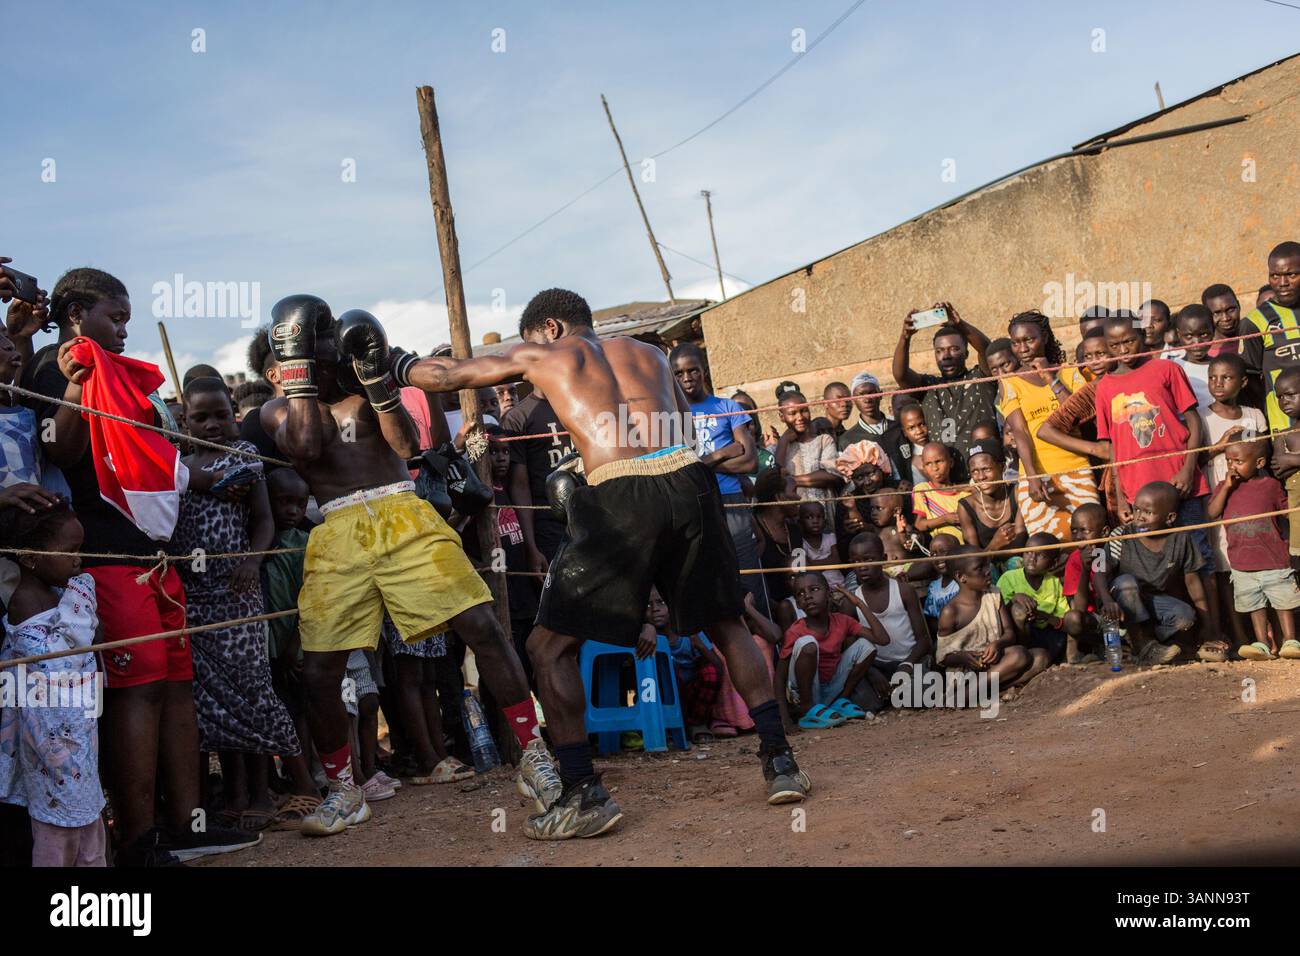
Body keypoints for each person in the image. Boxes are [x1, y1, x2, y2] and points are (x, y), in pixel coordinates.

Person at [403, 287, 812, 836]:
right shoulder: (651, 353)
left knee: (547, 648)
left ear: (550, 328)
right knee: (727, 625)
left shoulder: (545, 354)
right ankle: (780, 763)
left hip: (619, 491)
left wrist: (396, 364)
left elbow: (448, 377)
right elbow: (681, 428)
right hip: (689, 479)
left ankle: (582, 792)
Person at [258, 296, 555, 837]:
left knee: (482, 625)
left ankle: (535, 757)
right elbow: (305, 446)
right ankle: (345, 790)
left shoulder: (359, 388)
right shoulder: (278, 408)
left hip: (401, 510)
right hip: (338, 530)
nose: (323, 366)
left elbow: (408, 444)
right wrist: (299, 378)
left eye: (324, 357)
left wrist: (376, 381)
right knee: (322, 669)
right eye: (311, 357)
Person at [23, 267, 254, 865]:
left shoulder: (124, 377)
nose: (123, 331)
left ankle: (185, 824)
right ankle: (137, 838)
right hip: (106, 556)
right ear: (77, 314)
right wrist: (74, 389)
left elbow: (156, 459)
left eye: (127, 319)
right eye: (114, 318)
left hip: (156, 555)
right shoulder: (58, 363)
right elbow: (58, 447)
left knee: (177, 685)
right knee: (140, 689)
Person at [172, 376, 303, 831]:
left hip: (238, 594)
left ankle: (282, 789)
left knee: (252, 690)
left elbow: (264, 522)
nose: (211, 425)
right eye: (200, 417)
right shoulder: (178, 466)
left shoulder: (243, 458)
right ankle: (236, 796)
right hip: (194, 599)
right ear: (183, 418)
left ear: (235, 416)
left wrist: (251, 561)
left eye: (220, 415)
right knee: (213, 701)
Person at [0, 503, 106, 866]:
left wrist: (79, 604)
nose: (79, 561)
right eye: (70, 552)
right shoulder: (26, 601)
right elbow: (57, 662)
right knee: (55, 829)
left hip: (78, 731)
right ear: (30, 558)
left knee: (88, 815)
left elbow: (91, 642)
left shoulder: (61, 594)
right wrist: (79, 608)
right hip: (50, 740)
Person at [669, 342, 767, 614]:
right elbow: (677, 468)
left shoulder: (728, 406)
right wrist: (721, 453)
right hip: (694, 504)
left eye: (693, 370)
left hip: (730, 500)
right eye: (679, 373)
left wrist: (698, 463)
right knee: (706, 576)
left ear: (704, 371)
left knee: (746, 575)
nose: (687, 378)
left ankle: (763, 645)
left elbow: (749, 461)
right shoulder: (670, 415)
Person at [259, 467, 330, 827]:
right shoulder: (265, 544)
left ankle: (310, 777)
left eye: (299, 503)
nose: (292, 510)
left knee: (297, 710)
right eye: (283, 502)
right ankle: (292, 776)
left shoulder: (306, 543)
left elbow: (312, 599)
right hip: (268, 648)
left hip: (295, 646)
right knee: (284, 709)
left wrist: (293, 645)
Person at [999, 311, 1098, 540]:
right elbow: (1021, 432)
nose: (1022, 348)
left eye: (1028, 340)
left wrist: (1050, 379)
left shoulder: (1069, 372)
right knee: (1048, 548)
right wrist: (1032, 476)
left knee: (1090, 542)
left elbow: (1081, 415)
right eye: (1015, 343)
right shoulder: (1009, 381)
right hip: (1037, 475)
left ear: (1044, 337)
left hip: (1076, 469)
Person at [1093, 481, 1208, 665]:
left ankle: (1146, 643)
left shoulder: (1181, 539)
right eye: (1136, 510)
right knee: (1127, 583)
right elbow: (1098, 570)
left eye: (1148, 512)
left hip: (1154, 601)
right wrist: (1106, 599)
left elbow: (1193, 583)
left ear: (1170, 517)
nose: (1139, 517)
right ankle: (1142, 645)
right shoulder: (1120, 534)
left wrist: (1208, 625)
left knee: (1185, 617)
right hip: (1121, 602)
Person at [1206, 439, 1300, 660]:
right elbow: (1212, 512)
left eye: (1238, 461)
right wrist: (1227, 487)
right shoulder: (1224, 487)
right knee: (1254, 605)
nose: (1232, 466)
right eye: (1229, 460)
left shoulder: (1271, 485)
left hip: (1274, 559)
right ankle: (1262, 644)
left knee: (1283, 602)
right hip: (1241, 563)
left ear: (1259, 462)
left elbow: (1287, 511)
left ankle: (1290, 641)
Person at [1199, 352, 1267, 646]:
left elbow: (1263, 453)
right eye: (1213, 377)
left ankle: (1263, 634)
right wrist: (1219, 446)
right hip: (1218, 493)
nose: (1218, 383)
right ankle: (1238, 634)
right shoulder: (1202, 417)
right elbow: (1194, 459)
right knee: (1224, 562)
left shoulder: (1255, 415)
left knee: (1253, 557)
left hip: (1250, 498)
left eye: (1226, 378)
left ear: (1242, 382)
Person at [776, 571, 887, 723]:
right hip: (803, 694)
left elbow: (882, 639)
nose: (807, 596)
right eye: (801, 593)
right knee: (807, 643)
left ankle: (841, 701)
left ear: (829, 594)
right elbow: (779, 677)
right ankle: (807, 710)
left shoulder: (842, 621)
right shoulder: (796, 631)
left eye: (814, 589)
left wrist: (858, 603)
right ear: (798, 603)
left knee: (866, 646)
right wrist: (784, 718)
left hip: (829, 689)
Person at [892, 302, 996, 461]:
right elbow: (900, 375)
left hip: (982, 474)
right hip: (945, 479)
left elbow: (988, 350)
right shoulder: (929, 387)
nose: (946, 356)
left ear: (967, 353)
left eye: (954, 349)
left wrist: (960, 325)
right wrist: (905, 338)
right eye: (939, 351)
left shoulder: (980, 378)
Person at [936, 549, 1047, 687]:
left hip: (996, 663)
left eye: (987, 566)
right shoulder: (951, 611)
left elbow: (1009, 633)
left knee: (1041, 657)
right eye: (979, 568)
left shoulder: (994, 594)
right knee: (1019, 655)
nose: (987, 571)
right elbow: (942, 656)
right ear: (961, 576)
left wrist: (998, 644)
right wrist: (963, 658)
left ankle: (983, 691)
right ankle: (967, 694)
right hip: (966, 672)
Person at [500, 379, 577, 577]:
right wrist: (531, 546)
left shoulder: (580, 402)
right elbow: (520, 486)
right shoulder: (518, 418)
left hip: (591, 512)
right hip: (549, 522)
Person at [840, 532, 930, 697]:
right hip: (876, 666)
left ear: (883, 558)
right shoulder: (850, 604)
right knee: (862, 699)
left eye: (868, 559)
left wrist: (907, 664)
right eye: (856, 561)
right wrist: (871, 672)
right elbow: (851, 650)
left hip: (908, 660)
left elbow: (924, 640)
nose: (862, 567)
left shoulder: (904, 591)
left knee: (921, 694)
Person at [643, 588, 725, 743]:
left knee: (710, 672)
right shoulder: (646, 636)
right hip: (662, 697)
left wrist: (699, 645)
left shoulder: (689, 631)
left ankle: (697, 725)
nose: (655, 609)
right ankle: (664, 726)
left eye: (661, 602)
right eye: (648, 605)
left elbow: (719, 668)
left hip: (692, 697)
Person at [1241, 240, 1300, 433]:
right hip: (1285, 430)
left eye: (1291, 274)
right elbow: (1251, 379)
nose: (1282, 283)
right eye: (1275, 276)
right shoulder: (1256, 322)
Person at [997, 532, 1069, 664]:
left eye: (1040, 555)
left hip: (1046, 635)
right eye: (1028, 552)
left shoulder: (1054, 582)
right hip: (1018, 637)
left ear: (1053, 563)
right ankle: (1023, 656)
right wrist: (1015, 599)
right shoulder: (1009, 578)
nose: (1032, 558)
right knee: (1019, 611)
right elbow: (998, 615)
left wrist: (1040, 614)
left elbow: (1061, 620)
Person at [957, 444, 1027, 578]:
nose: (981, 476)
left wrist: (991, 553)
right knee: (986, 569)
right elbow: (975, 559)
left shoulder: (1017, 493)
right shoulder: (966, 506)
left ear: (1002, 467)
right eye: (975, 471)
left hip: (1016, 561)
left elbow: (1021, 539)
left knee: (1016, 563)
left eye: (986, 469)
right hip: (986, 567)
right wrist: (995, 544)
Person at [774, 390, 841, 514]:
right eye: (792, 413)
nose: (799, 417)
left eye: (804, 410)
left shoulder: (823, 441)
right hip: (795, 515)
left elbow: (832, 475)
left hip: (824, 513)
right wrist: (783, 441)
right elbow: (776, 476)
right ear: (782, 417)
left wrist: (793, 480)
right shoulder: (777, 448)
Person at [1061, 502, 1108, 663]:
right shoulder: (1074, 559)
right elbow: (1079, 608)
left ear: (1104, 532)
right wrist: (1085, 569)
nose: (1078, 537)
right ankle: (1074, 654)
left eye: (1085, 531)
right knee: (1072, 618)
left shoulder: (1112, 550)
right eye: (1074, 531)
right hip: (1092, 621)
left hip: (1117, 615)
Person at [1269, 366, 1300, 571]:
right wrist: (1289, 461)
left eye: (1290, 395)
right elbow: (1279, 467)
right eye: (1279, 397)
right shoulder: (1283, 434)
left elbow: (1286, 462)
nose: (1284, 402)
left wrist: (1293, 460)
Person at [912, 442, 967, 542]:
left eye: (939, 461)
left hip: (964, 546)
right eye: (928, 464)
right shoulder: (922, 490)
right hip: (939, 548)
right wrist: (944, 519)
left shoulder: (965, 493)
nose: (935, 468)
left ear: (951, 462)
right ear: (924, 468)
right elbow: (919, 525)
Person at [796, 499, 842, 589]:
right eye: (809, 517)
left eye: (819, 517)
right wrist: (828, 561)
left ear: (825, 520)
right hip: (816, 588)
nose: (815, 521)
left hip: (838, 584)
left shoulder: (830, 537)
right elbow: (805, 567)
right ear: (800, 522)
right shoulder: (801, 543)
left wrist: (813, 563)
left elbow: (836, 560)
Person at [838, 372, 890, 448]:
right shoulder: (847, 440)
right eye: (861, 395)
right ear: (853, 400)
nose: (867, 400)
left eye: (871, 393)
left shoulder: (900, 428)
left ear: (881, 395)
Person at [1202, 283, 1242, 358]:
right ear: (1207, 315)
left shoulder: (1255, 338)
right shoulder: (1203, 352)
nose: (1225, 318)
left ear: (1239, 306)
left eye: (1230, 310)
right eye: (1217, 313)